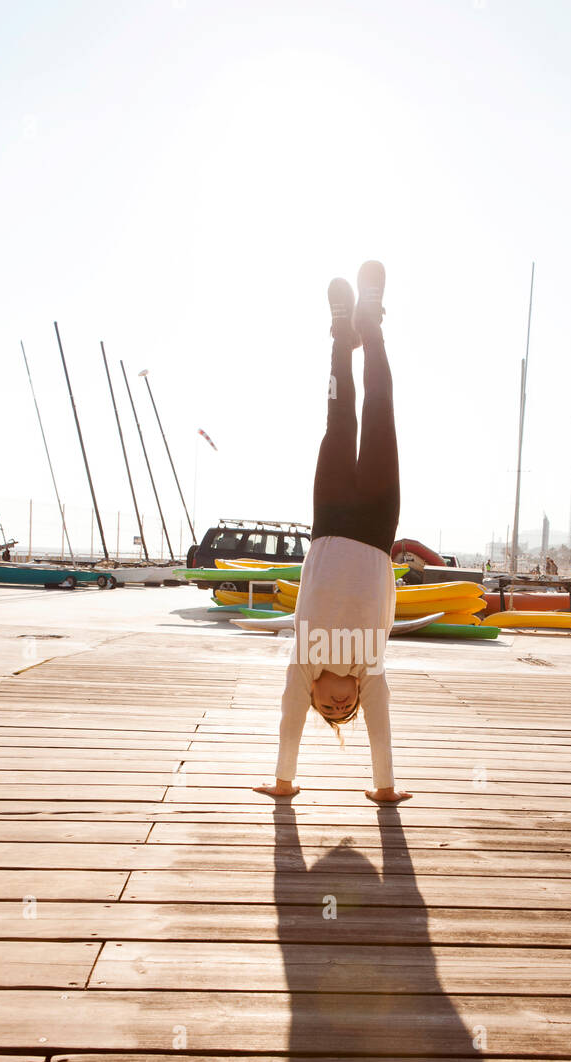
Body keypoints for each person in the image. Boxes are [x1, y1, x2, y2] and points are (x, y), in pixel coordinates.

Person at [254, 261, 411, 805]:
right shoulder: (370, 670)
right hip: (374, 527)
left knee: (339, 417)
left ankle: (342, 333)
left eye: (328, 710)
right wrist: (384, 788)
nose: (339, 707)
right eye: (347, 711)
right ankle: (372, 321)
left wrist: (283, 781)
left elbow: (287, 723)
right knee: (382, 406)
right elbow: (381, 730)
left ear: (314, 693)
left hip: (327, 521)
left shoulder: (304, 663)